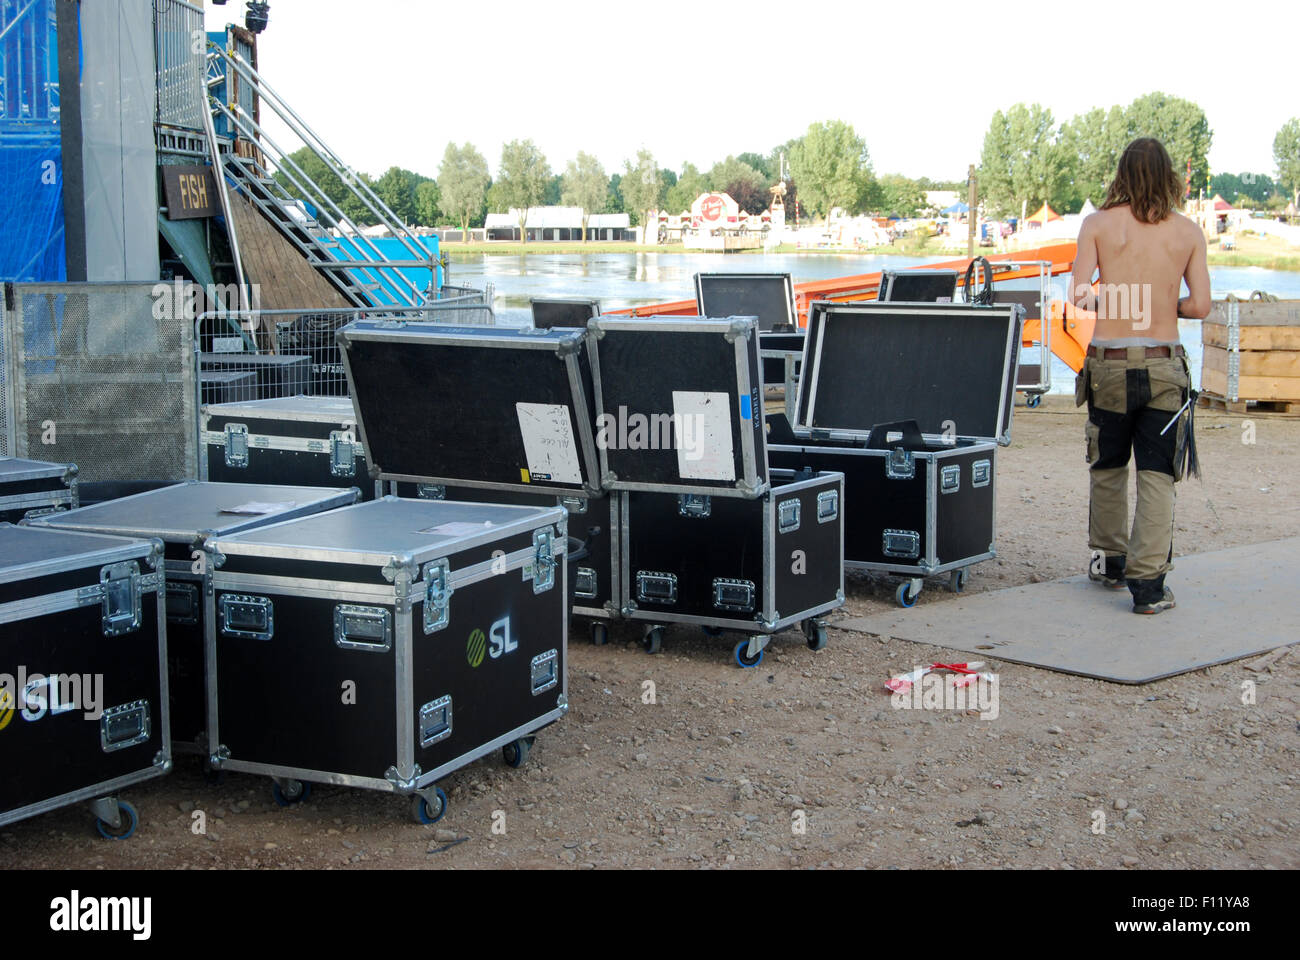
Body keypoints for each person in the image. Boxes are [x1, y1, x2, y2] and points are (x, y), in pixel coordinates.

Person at [1070, 137, 1211, 614]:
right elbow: (1201, 306)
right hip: (1164, 364)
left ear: (1121, 174)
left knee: (1108, 465)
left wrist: (1120, 296)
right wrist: (1160, 302)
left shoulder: (1096, 225)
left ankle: (1112, 563)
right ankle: (1148, 587)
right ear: (1168, 175)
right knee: (1157, 474)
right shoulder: (1188, 231)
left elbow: (1080, 297)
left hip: (1108, 364)